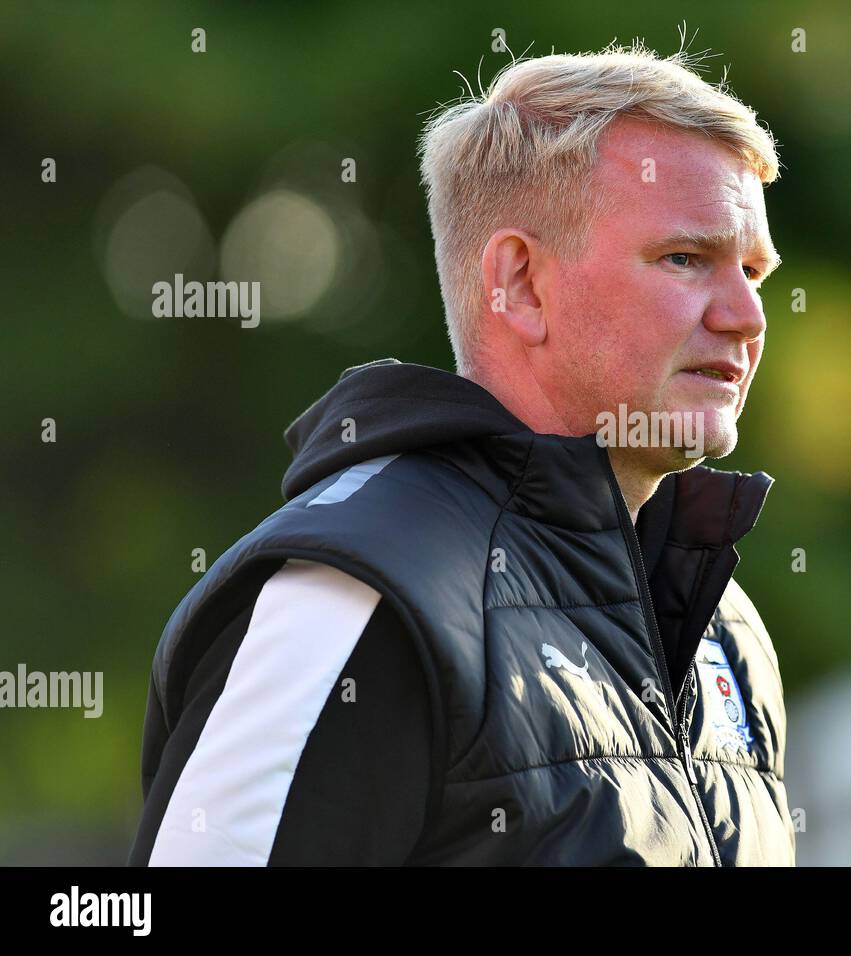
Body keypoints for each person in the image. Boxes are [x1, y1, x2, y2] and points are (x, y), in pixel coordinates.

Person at [128, 40, 794, 866]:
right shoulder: (357, 594)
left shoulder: (725, 628)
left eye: (755, 271)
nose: (745, 315)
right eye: (686, 258)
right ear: (518, 282)